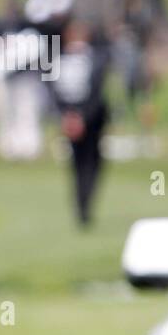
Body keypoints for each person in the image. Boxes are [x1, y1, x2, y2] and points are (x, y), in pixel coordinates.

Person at [48, 19, 110, 227]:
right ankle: (83, 204)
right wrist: (78, 117)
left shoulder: (63, 58)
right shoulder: (90, 58)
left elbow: (55, 91)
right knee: (88, 163)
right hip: (86, 118)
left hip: (80, 118)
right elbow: (95, 91)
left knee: (79, 163)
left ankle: (82, 204)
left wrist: (69, 117)